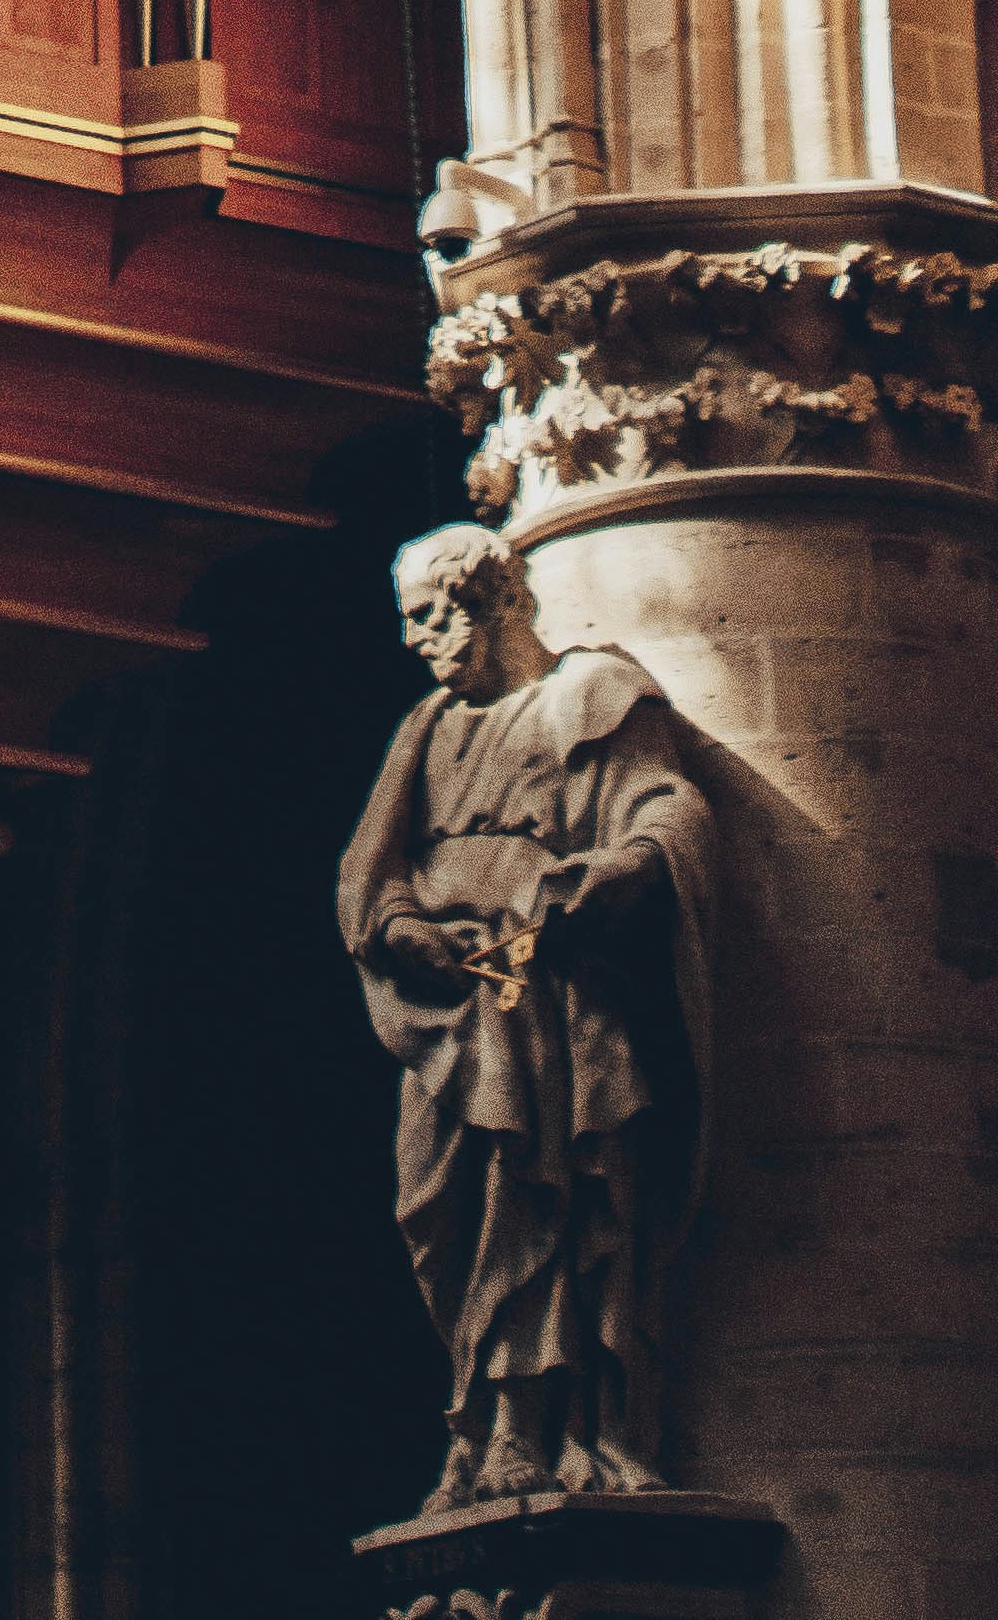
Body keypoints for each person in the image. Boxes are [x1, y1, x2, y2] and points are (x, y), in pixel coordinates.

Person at [338, 523, 718, 1503]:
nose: (417, 641)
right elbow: (369, 874)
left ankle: (559, 1429)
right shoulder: (427, 727)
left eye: (432, 617)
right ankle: (477, 1423)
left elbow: (666, 809)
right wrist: (402, 925)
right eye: (409, 623)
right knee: (434, 1210)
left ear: (499, 602)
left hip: (554, 998)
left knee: (558, 1198)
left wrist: (618, 872)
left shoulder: (591, 697)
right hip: (458, 1005)